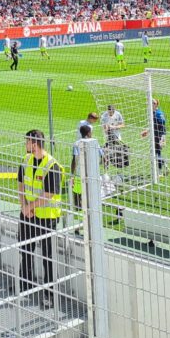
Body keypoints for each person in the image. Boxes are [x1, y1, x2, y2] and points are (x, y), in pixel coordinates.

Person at [17, 129, 62, 309]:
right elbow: (21, 184)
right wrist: (24, 207)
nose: (25, 145)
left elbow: (49, 193)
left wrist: (30, 207)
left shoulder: (52, 165)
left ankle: (49, 294)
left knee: (47, 257)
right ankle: (25, 285)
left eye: (27, 142)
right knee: (25, 249)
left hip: (46, 218)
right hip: (28, 215)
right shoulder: (26, 160)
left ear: (34, 144)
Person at [70, 123, 103, 217]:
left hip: (80, 174)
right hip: (93, 173)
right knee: (93, 195)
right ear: (89, 133)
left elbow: (74, 160)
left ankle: (80, 214)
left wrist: (72, 175)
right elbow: (103, 157)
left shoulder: (77, 143)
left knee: (77, 195)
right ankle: (92, 214)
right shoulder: (95, 142)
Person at [140, 98, 168, 175]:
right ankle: (164, 166)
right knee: (156, 153)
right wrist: (147, 131)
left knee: (157, 153)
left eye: (153, 103)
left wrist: (163, 139)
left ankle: (160, 171)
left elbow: (163, 127)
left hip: (159, 136)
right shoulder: (152, 113)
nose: (150, 104)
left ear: (156, 104)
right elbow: (153, 126)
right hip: (154, 135)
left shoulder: (159, 114)